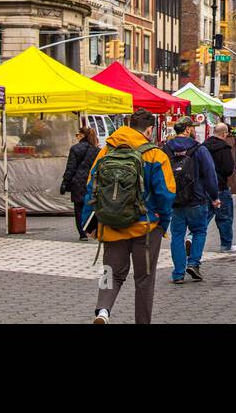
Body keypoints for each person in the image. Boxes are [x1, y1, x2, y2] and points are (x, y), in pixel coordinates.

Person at [83, 108, 175, 324]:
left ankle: (103, 311)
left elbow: (90, 187)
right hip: (146, 227)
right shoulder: (155, 155)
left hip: (111, 224)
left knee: (109, 272)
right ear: (149, 130)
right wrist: (163, 222)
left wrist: (89, 224)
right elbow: (167, 194)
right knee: (144, 278)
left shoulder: (105, 151)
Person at [166, 117, 220, 283]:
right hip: (196, 199)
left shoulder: (166, 149)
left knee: (177, 235)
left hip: (175, 201)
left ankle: (178, 273)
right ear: (188, 129)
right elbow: (210, 174)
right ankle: (194, 263)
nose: (194, 130)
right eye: (193, 127)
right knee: (199, 231)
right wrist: (214, 196)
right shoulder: (199, 149)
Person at [203, 122, 236, 252]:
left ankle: (192, 236)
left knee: (205, 215)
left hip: (205, 186)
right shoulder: (224, 148)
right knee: (225, 217)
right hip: (221, 186)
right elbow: (228, 169)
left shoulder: (204, 146)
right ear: (224, 134)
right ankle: (226, 245)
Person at [60, 126, 101, 240]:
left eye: (78, 135)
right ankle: (91, 230)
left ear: (83, 136)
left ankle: (82, 233)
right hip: (92, 182)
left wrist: (65, 182)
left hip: (77, 182)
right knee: (91, 206)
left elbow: (71, 168)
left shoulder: (75, 149)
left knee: (78, 208)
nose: (77, 137)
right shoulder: (97, 150)